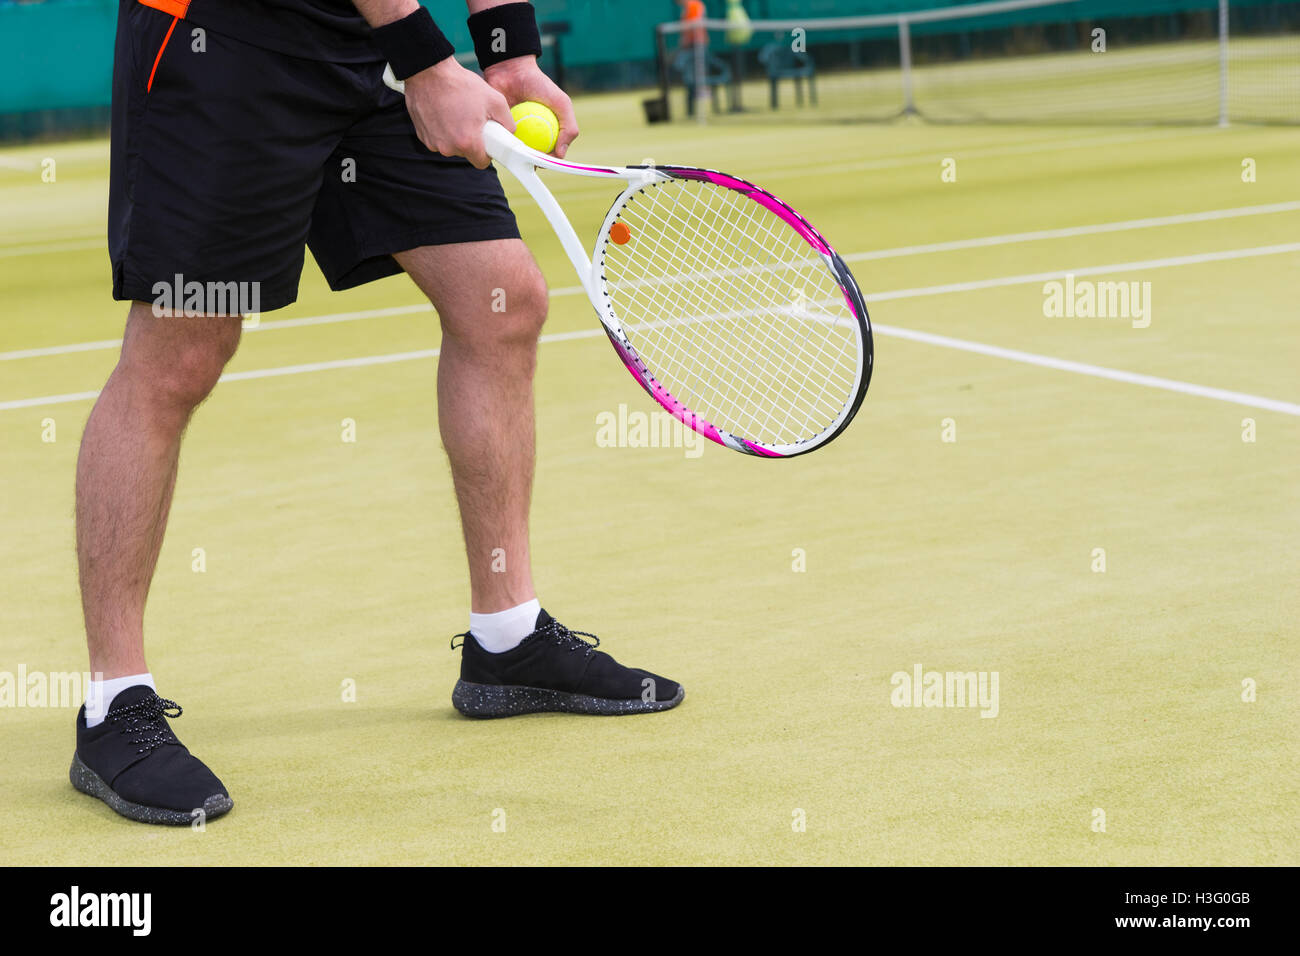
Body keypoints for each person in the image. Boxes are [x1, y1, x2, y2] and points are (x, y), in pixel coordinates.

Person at [71, 0, 683, 827]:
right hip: (223, 37)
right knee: (179, 353)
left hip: (371, 45)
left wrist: (509, 53)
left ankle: (508, 640)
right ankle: (116, 702)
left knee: (500, 302)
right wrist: (430, 65)